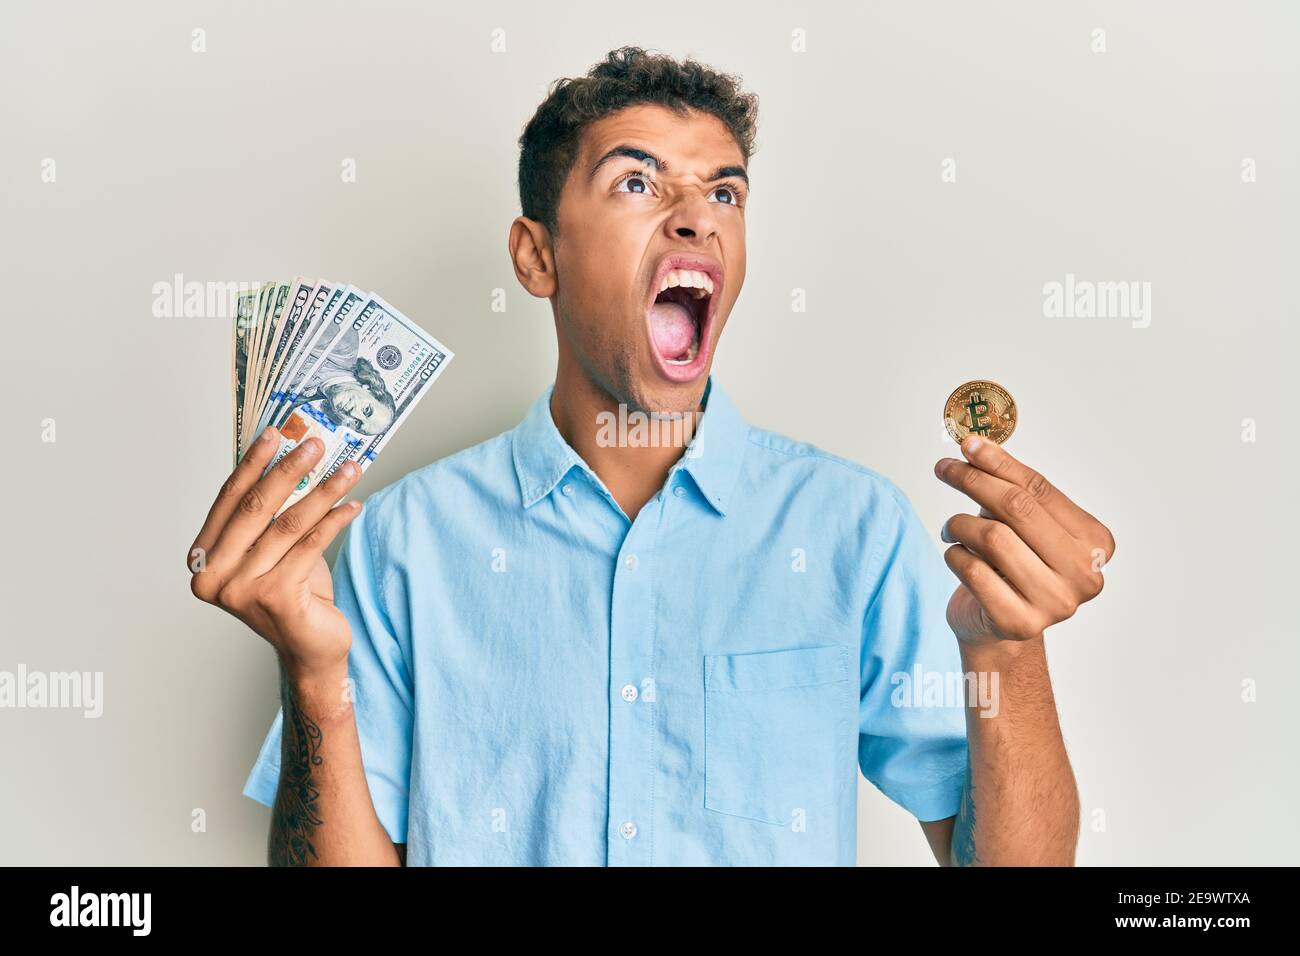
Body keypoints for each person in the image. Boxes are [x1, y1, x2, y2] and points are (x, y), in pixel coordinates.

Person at [187, 47, 1114, 866]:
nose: (694, 218)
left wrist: (1008, 649)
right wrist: (312, 678)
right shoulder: (403, 541)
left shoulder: (854, 528)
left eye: (724, 191)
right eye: (638, 183)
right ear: (536, 256)